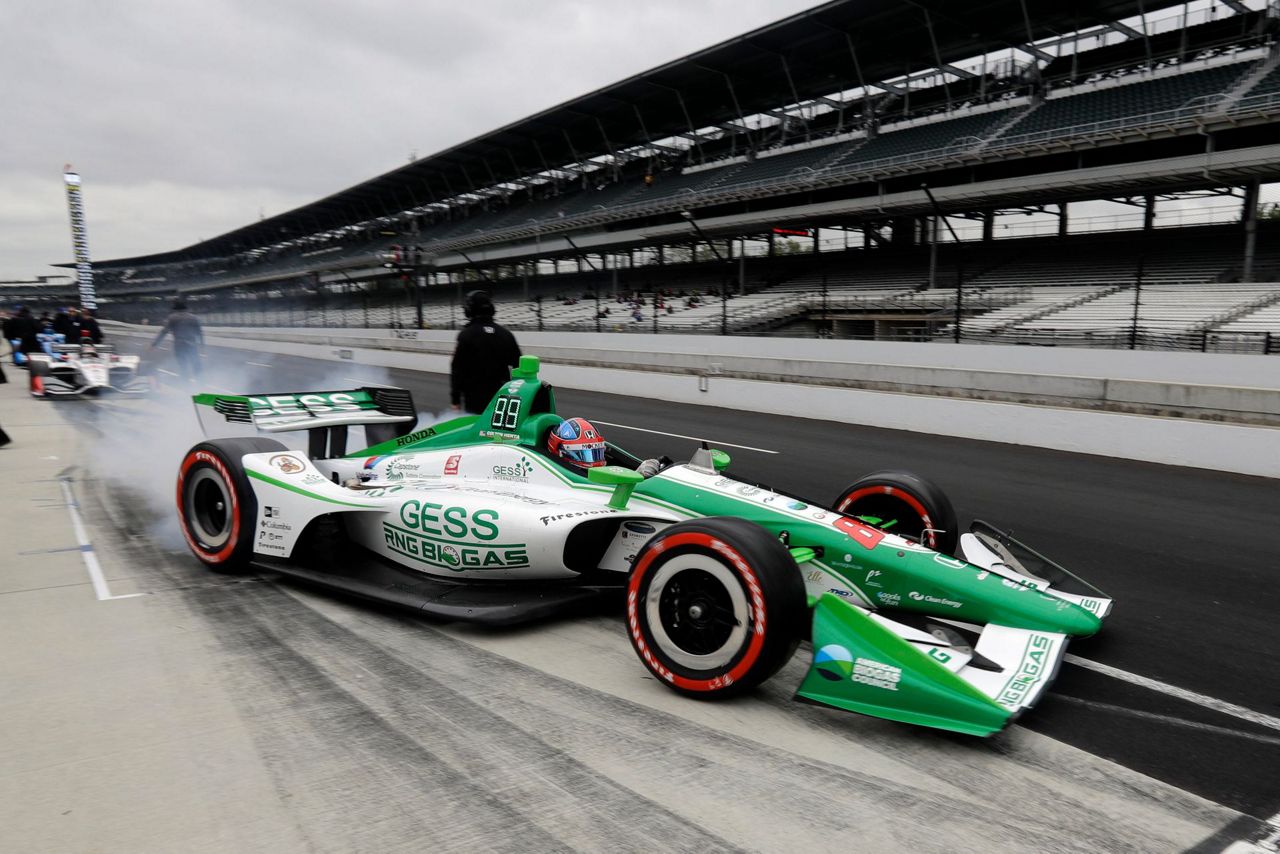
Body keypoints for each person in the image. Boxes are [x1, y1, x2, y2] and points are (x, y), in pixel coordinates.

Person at [449, 290, 520, 414]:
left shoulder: (466, 335)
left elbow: (457, 370)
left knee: (476, 431)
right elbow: (519, 366)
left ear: (469, 309)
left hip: (474, 399)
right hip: (503, 396)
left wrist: (455, 400)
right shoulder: (506, 334)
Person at [149, 299, 204, 380]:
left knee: (183, 365)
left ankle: (185, 385)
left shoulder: (172, 318)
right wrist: (202, 344)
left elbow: (164, 332)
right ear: (186, 309)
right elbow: (199, 332)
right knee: (196, 364)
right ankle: (201, 383)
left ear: (175, 309)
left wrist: (154, 344)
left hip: (179, 345)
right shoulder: (194, 318)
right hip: (192, 344)